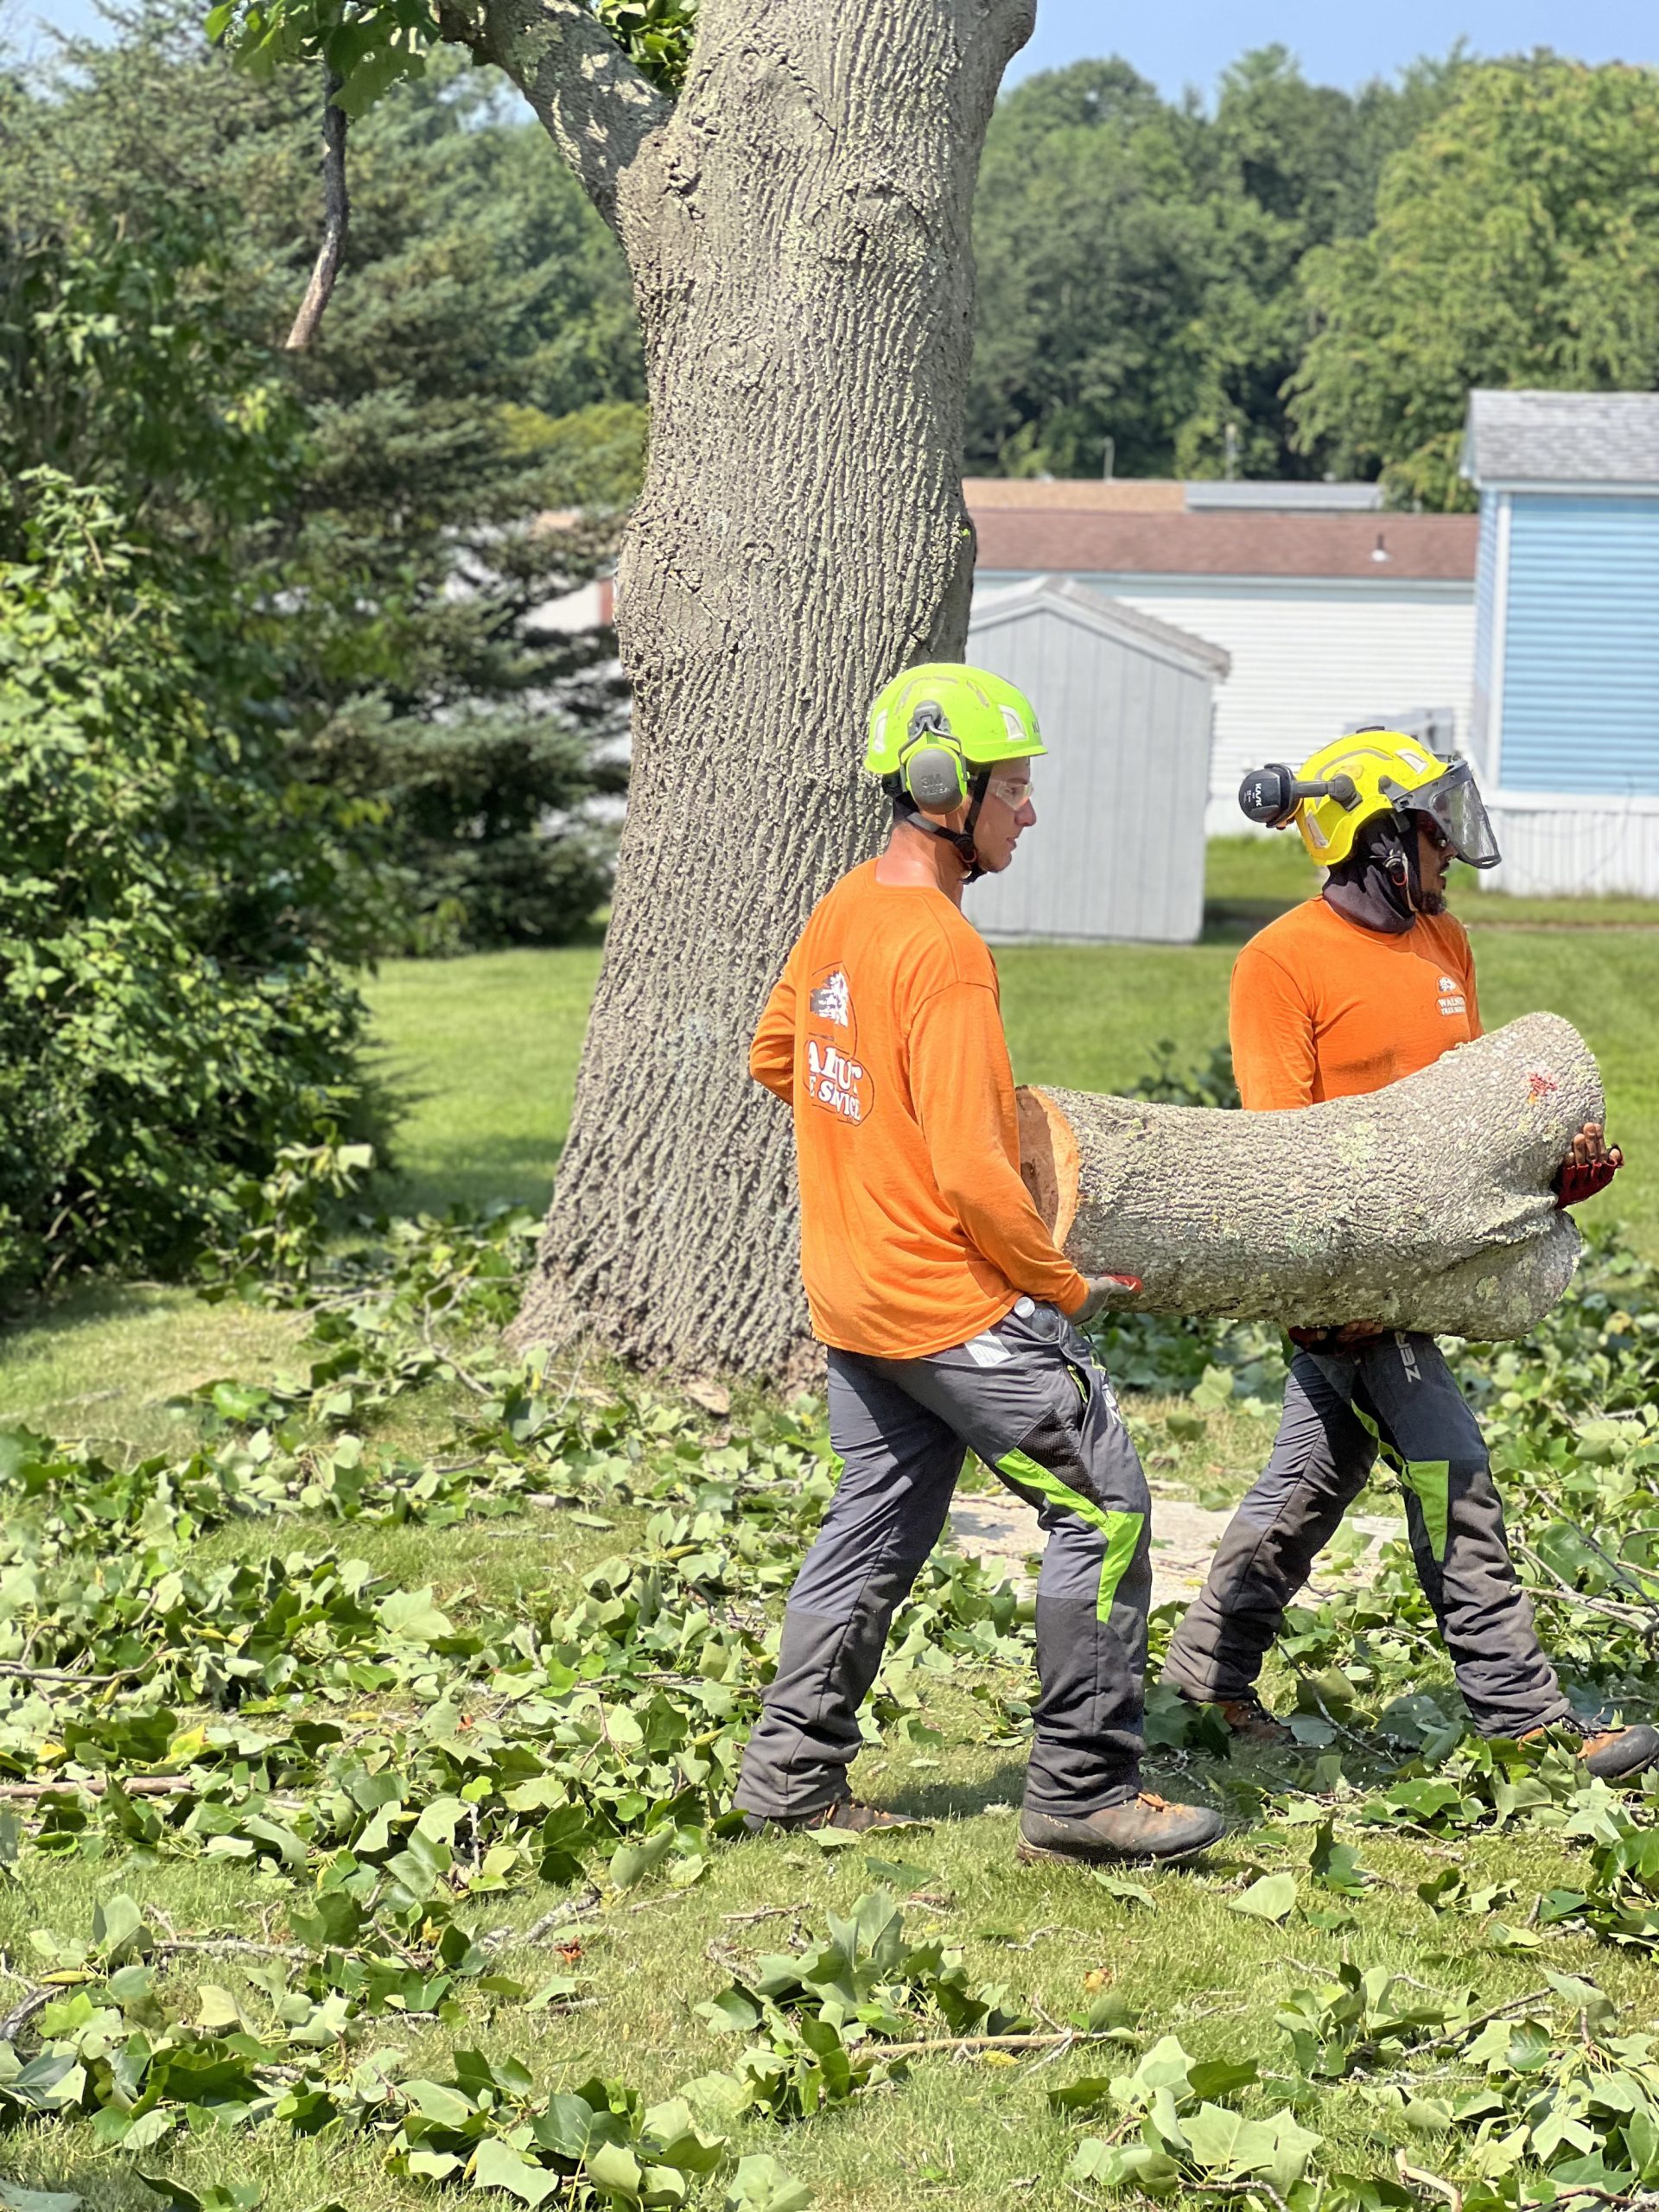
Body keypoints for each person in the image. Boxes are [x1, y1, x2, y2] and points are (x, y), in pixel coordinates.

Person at [734, 664, 1224, 1866]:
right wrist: (1063, 1285)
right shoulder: (944, 950)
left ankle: (789, 1780)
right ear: (945, 789)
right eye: (1015, 788)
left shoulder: (848, 905)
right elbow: (970, 1173)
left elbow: (779, 1055)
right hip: (946, 1304)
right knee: (1105, 1508)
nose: (1031, 812)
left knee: (875, 1523)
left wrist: (871, 1150)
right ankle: (1082, 1793)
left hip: (854, 1294)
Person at [1161, 728, 1656, 1779]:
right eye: (1434, 831)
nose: (1450, 851)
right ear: (1380, 838)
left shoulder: (1446, 944)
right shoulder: (1280, 961)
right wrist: (1315, 1296)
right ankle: (1523, 1717)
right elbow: (1279, 1154)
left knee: (1314, 1475)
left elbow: (1470, 1128)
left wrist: (1554, 1177)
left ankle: (1205, 1675)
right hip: (1345, 1283)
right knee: (1451, 1474)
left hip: (1423, 1274)